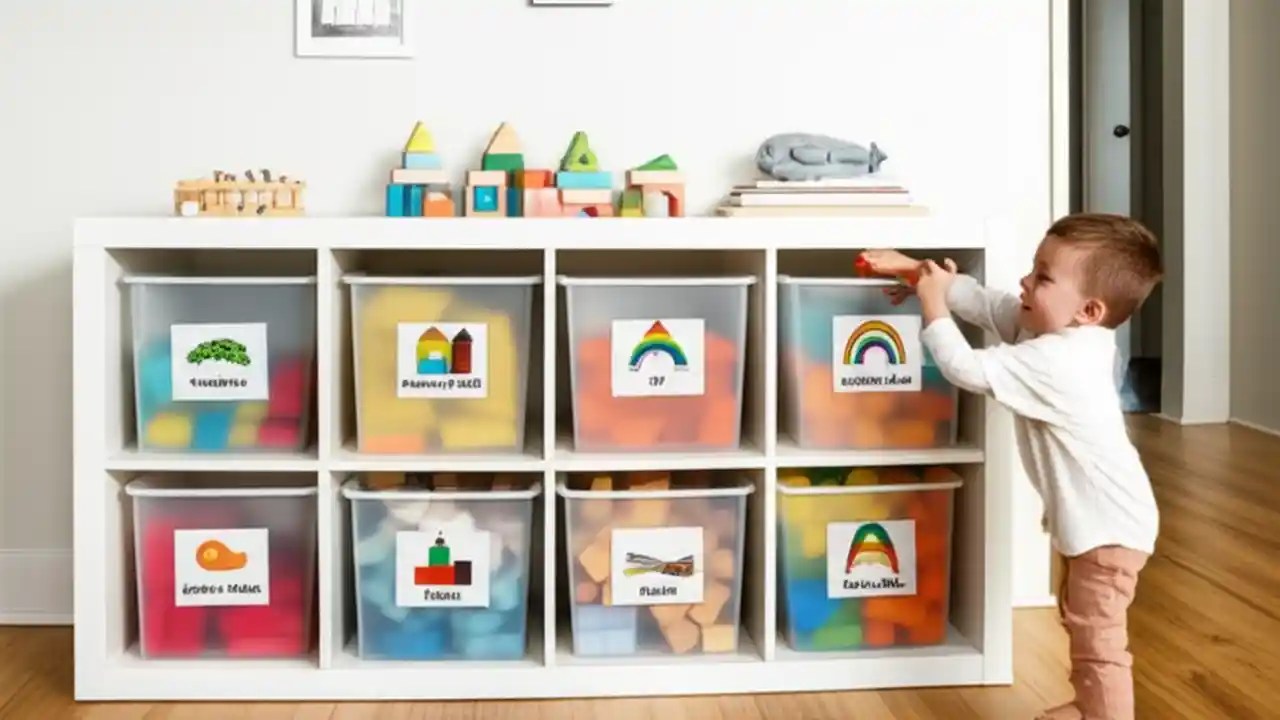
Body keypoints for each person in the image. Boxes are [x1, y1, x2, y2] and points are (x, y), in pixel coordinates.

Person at [860, 213, 1162, 720]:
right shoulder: (1060, 335)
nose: (1026, 281)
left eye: (1043, 277)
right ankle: (1089, 708)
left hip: (1109, 532)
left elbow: (964, 368)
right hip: (1102, 527)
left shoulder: (1059, 362)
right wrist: (921, 274)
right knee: (1082, 622)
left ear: (1088, 310)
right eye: (1033, 268)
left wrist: (933, 306)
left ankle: (1103, 713)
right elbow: (990, 304)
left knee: (1099, 642)